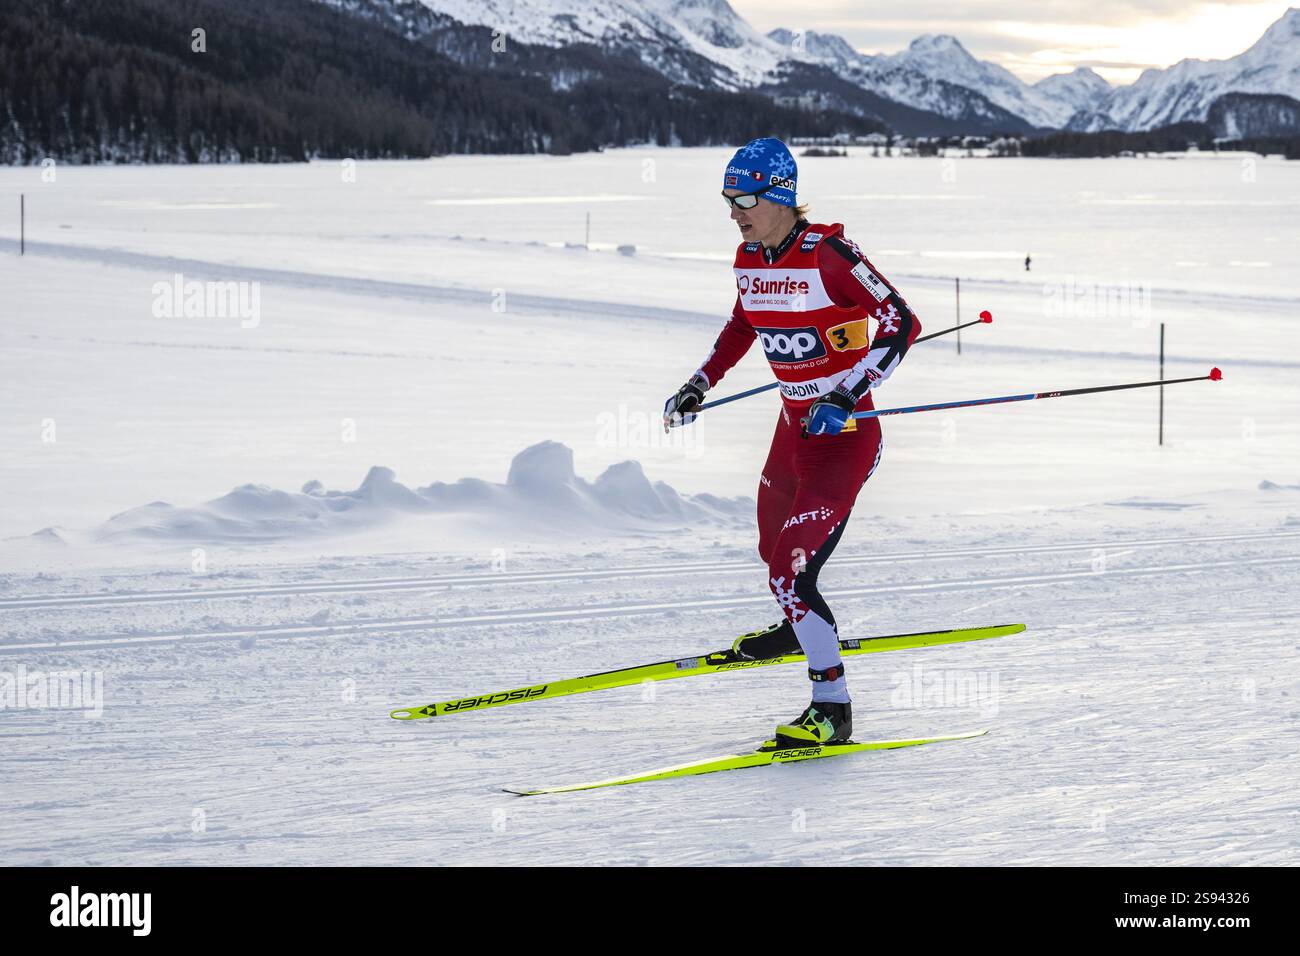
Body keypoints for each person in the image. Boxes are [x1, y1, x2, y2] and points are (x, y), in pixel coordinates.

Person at [663, 137, 922, 745]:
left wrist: (847, 393)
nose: (735, 211)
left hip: (843, 437)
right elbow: (742, 325)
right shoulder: (750, 259)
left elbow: (901, 321)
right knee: (771, 547)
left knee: (790, 571)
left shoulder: (828, 253)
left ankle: (832, 706)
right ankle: (796, 626)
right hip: (790, 433)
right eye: (728, 199)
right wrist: (700, 382)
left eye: (745, 198)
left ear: (780, 195)